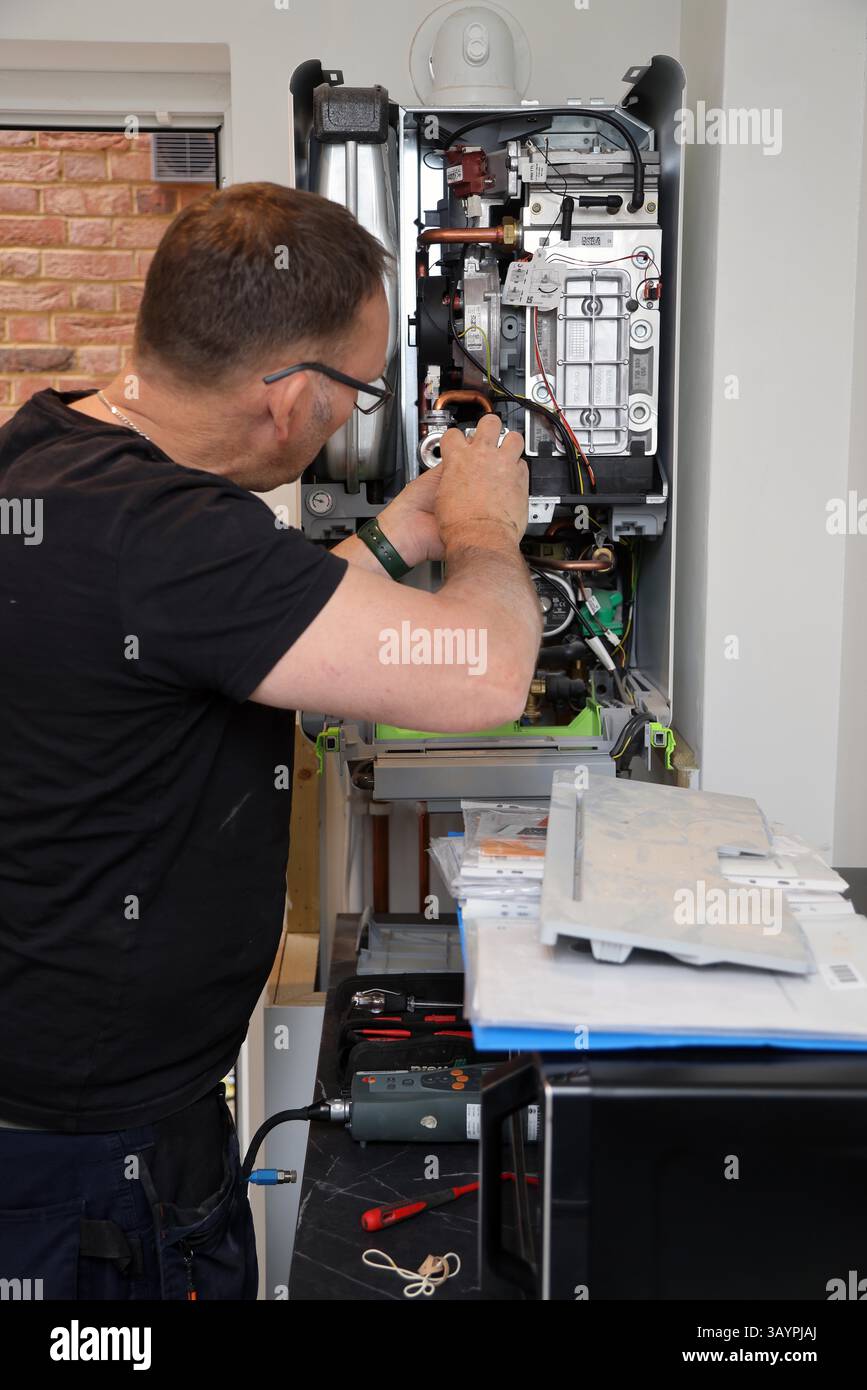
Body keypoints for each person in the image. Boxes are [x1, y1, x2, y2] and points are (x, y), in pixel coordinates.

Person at [0, 181, 541, 1299]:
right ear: (291, 396)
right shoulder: (171, 537)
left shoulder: (53, 454)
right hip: (92, 1169)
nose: (353, 415)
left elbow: (243, 634)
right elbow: (487, 673)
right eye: (359, 389)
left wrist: (401, 533)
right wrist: (487, 525)